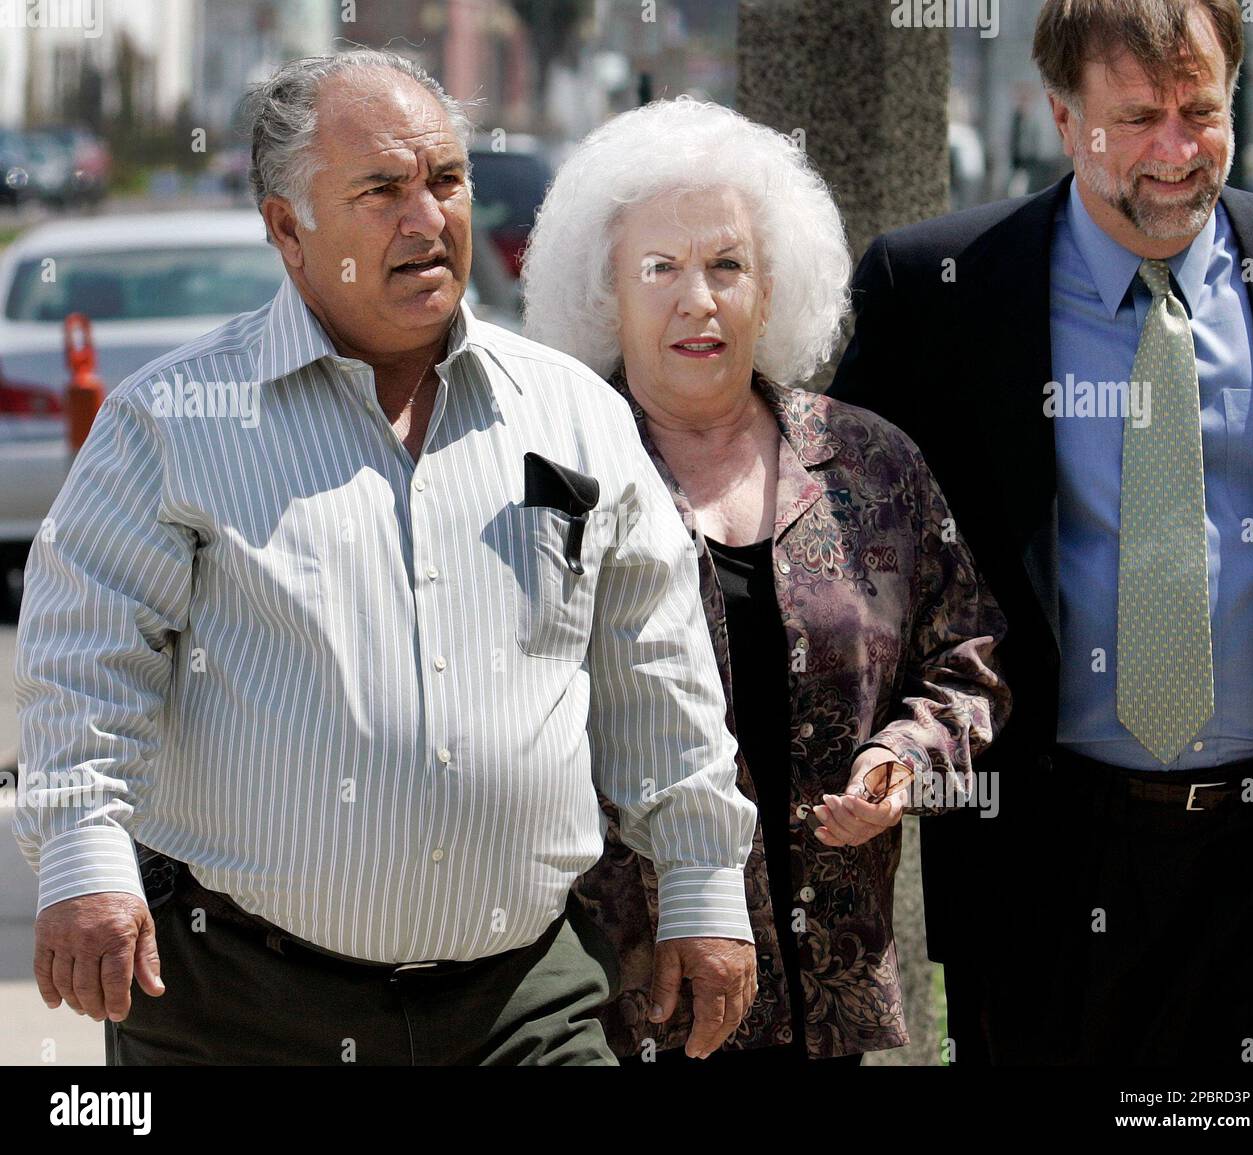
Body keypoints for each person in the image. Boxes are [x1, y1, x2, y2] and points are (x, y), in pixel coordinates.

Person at [13, 50, 760, 1067]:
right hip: (237, 1007)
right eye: (380, 191)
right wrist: (86, 860)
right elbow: (84, 656)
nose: (427, 219)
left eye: (445, 181)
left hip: (521, 1003)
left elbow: (657, 671)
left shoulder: (573, 414)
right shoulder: (174, 422)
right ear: (287, 229)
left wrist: (705, 889)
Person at [830, 0, 1253, 1065]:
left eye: (1201, 111)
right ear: (1059, 115)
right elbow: (843, 547)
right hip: (1047, 854)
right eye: (1136, 118)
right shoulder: (937, 292)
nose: (1177, 151)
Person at [521, 97, 1009, 1065]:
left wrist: (903, 760)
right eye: (659, 269)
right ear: (604, 291)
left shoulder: (869, 463)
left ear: (770, 287)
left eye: (727, 266)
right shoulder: (554, 479)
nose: (697, 300)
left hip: (828, 1002)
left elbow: (970, 656)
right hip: (627, 1009)